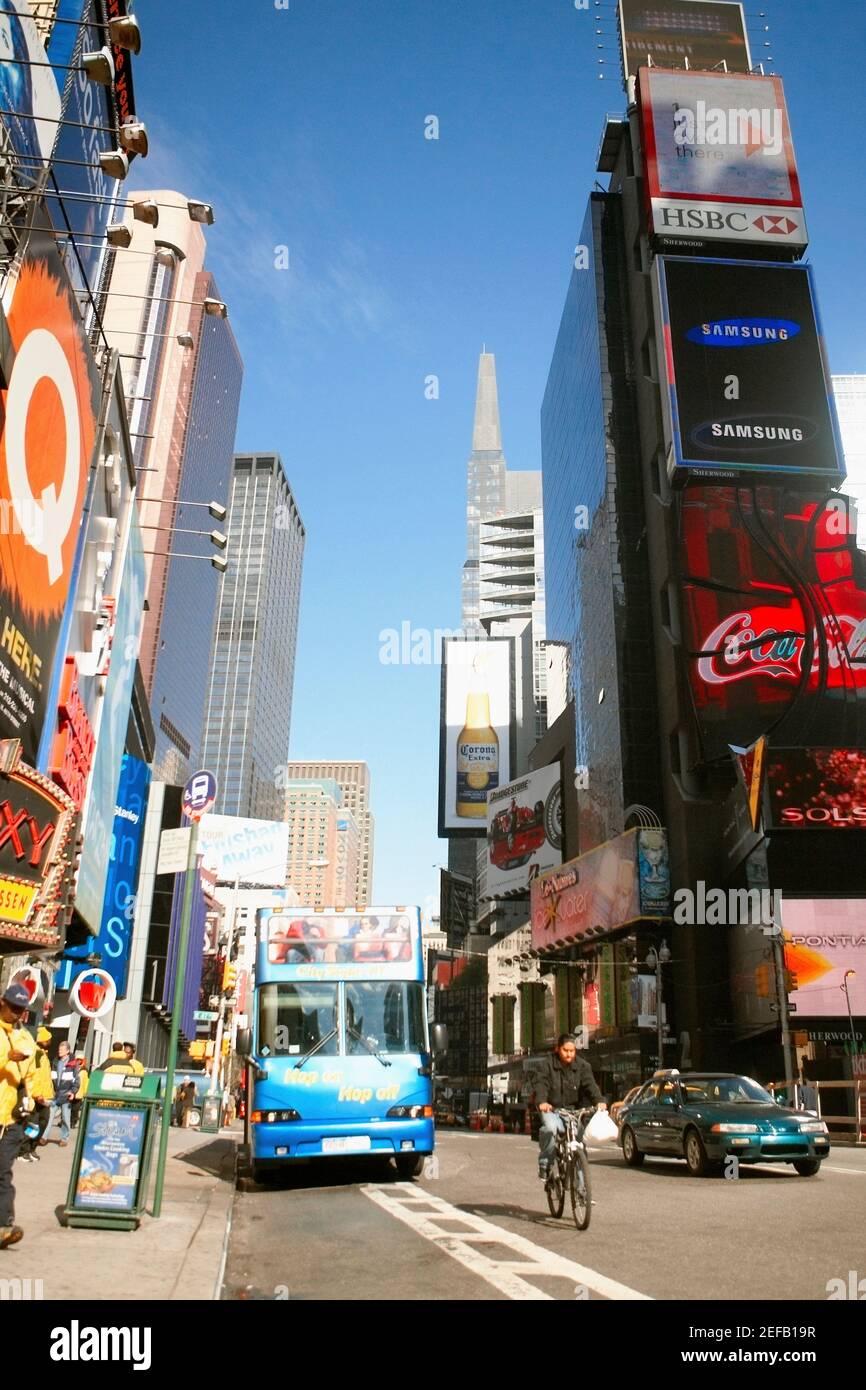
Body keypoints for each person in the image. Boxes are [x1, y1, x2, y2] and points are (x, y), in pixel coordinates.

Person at [532, 1034, 607, 1180]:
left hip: (574, 1112)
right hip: (552, 1110)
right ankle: (545, 1164)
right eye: (566, 1050)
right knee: (550, 1129)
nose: (569, 1054)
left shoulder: (583, 1066)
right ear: (557, 1049)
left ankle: (582, 1191)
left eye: (572, 1051)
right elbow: (541, 1084)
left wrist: (599, 1101)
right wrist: (542, 1101)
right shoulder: (546, 1065)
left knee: (579, 1146)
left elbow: (590, 1085)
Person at [0, 982, 37, 1248]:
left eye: (22, 1010)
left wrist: (31, 1103)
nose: (17, 1014)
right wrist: (6, 1058)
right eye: (14, 1008)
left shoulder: (26, 1038)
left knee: (2, 1172)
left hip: (11, 1118)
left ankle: (4, 1226)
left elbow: (32, 1075)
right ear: (2, 1002)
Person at [20, 1027, 54, 1162]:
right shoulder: (37, 1053)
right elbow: (35, 1076)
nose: (50, 1040)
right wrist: (37, 1094)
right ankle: (24, 1151)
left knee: (41, 1124)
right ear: (43, 1040)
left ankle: (32, 1149)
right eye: (49, 1038)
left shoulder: (43, 1053)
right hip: (37, 1097)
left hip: (45, 1097)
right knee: (32, 1126)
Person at [44, 1041, 78, 1146]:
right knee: (48, 1116)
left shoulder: (73, 1064)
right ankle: (43, 1137)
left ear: (67, 1051)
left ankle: (64, 1139)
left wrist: (73, 1092)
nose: (59, 1051)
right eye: (59, 1049)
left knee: (65, 1118)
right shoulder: (55, 1062)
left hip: (66, 1095)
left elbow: (76, 1079)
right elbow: (50, 1078)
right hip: (55, 1094)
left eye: (62, 1050)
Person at [71, 1053, 89, 1128]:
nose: (78, 1061)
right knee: (68, 1108)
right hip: (72, 1092)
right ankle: (64, 1121)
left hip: (79, 1093)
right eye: (77, 1060)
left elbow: (86, 1083)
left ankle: (73, 1122)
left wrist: (85, 1093)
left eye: (80, 1060)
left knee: (75, 1109)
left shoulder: (84, 1071)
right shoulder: (72, 1068)